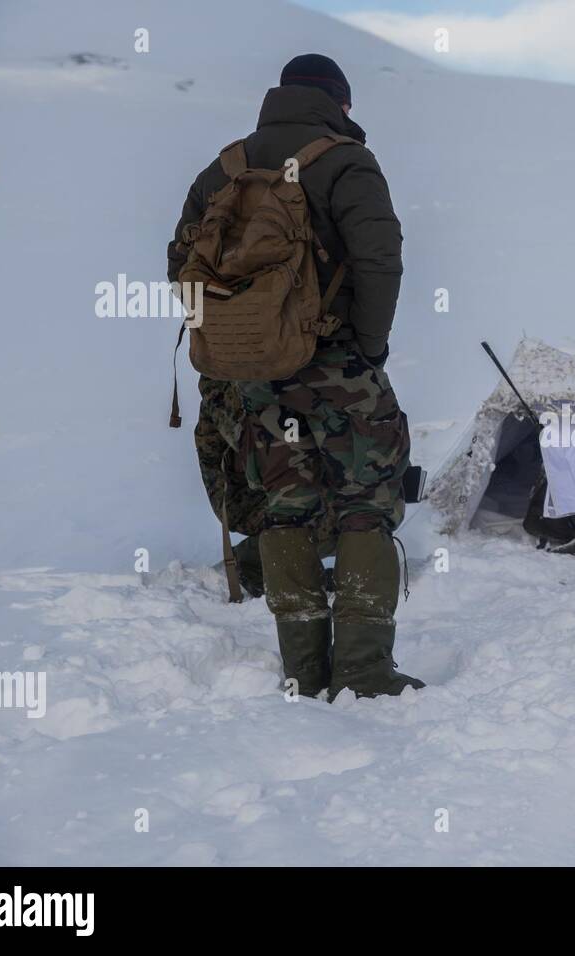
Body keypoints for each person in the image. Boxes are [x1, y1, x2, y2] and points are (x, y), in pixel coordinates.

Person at [167, 54, 421, 699]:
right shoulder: (345, 161)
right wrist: (367, 344)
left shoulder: (223, 168)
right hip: (337, 363)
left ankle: (303, 670)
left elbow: (181, 264)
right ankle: (364, 671)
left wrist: (243, 336)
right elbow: (380, 262)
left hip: (253, 373)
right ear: (340, 102)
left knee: (287, 505)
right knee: (366, 504)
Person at [193, 377, 337, 598]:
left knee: (372, 501)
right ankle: (255, 561)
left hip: (283, 476)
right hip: (246, 495)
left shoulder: (294, 370)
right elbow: (264, 453)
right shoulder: (225, 385)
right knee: (335, 515)